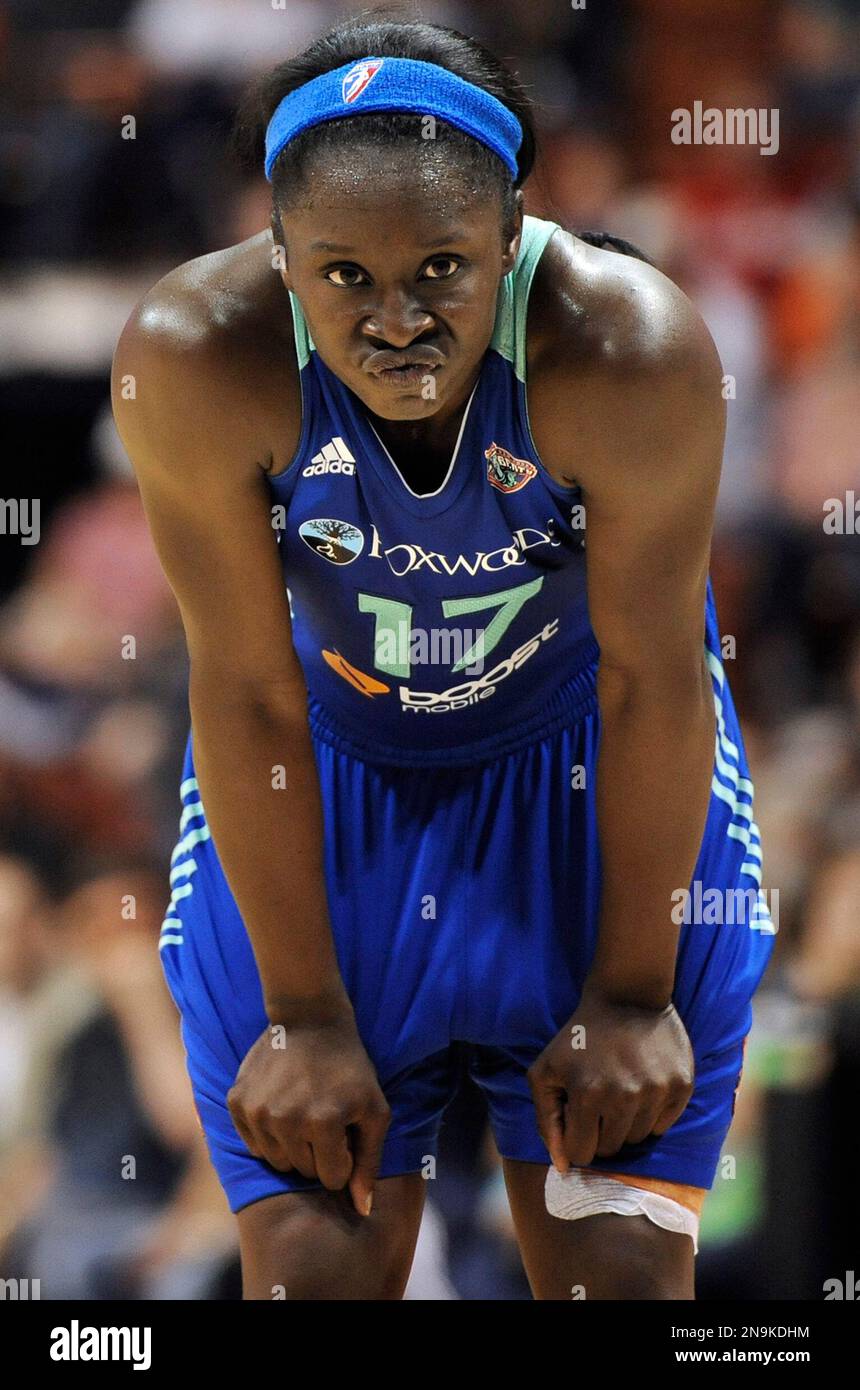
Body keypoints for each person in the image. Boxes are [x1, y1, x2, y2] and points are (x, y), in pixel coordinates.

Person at [111, 12, 776, 1300]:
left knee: (617, 1284)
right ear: (282, 258)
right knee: (314, 1276)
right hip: (326, 784)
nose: (396, 319)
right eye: (344, 275)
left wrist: (634, 993)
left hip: (591, 771)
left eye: (443, 270)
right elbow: (244, 691)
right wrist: (305, 1017)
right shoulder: (196, 352)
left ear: (515, 237)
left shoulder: (630, 349)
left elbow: (655, 679)